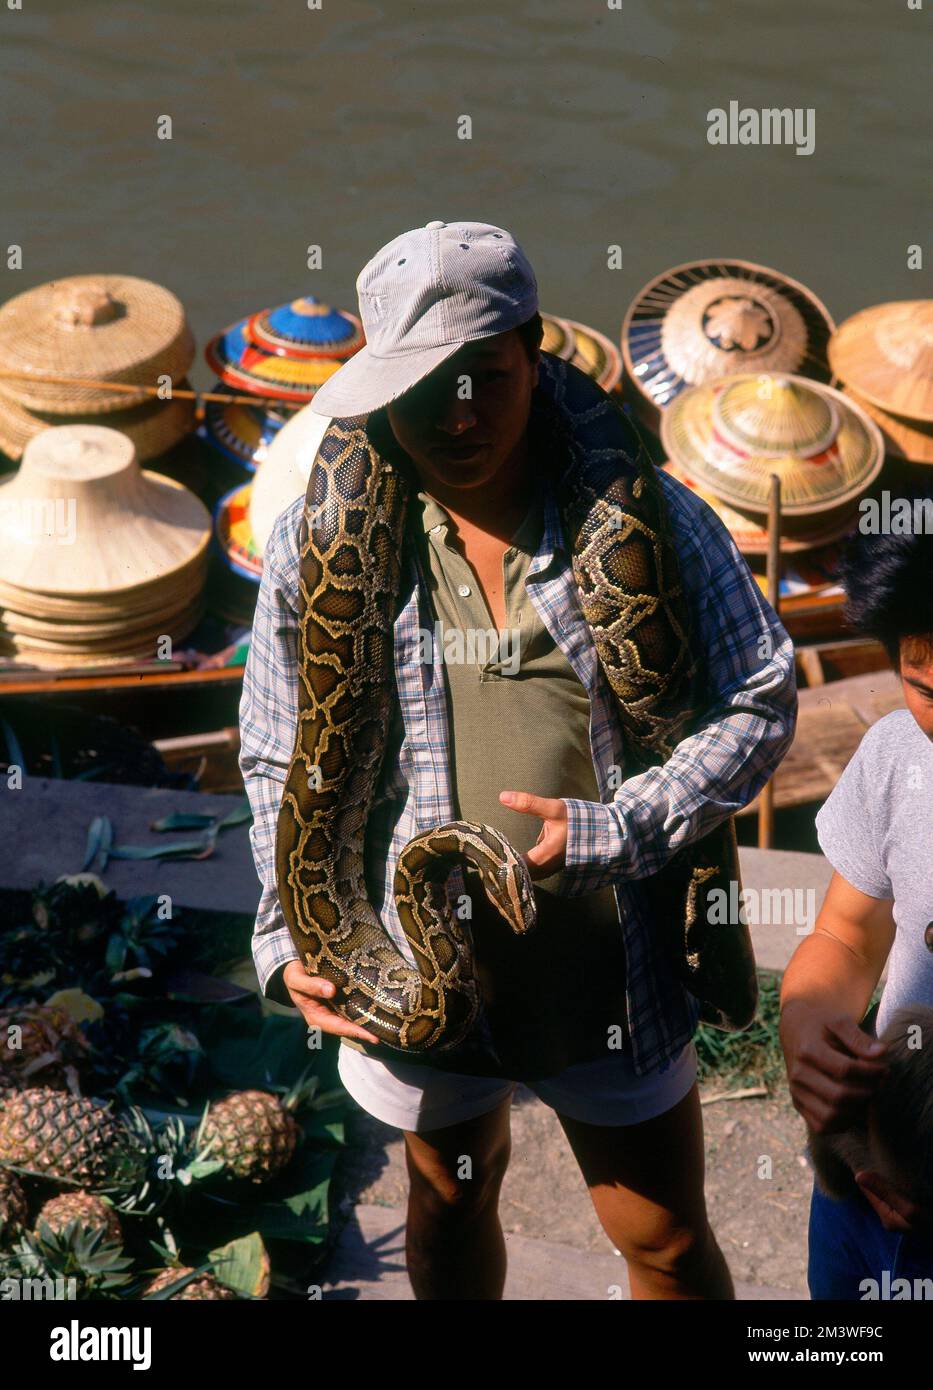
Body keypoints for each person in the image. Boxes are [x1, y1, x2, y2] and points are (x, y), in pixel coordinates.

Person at [239, 220, 797, 1300]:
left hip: (607, 952)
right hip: (402, 952)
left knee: (666, 1236)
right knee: (448, 1195)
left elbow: (763, 698)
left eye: (486, 378)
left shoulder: (655, 517)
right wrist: (284, 928)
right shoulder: (318, 539)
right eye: (426, 385)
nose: (457, 417)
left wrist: (616, 829)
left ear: (536, 352)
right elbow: (273, 750)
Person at [779, 496, 933, 1299]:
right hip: (863, 1191)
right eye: (923, 687)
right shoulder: (896, 752)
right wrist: (806, 1021)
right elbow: (845, 933)